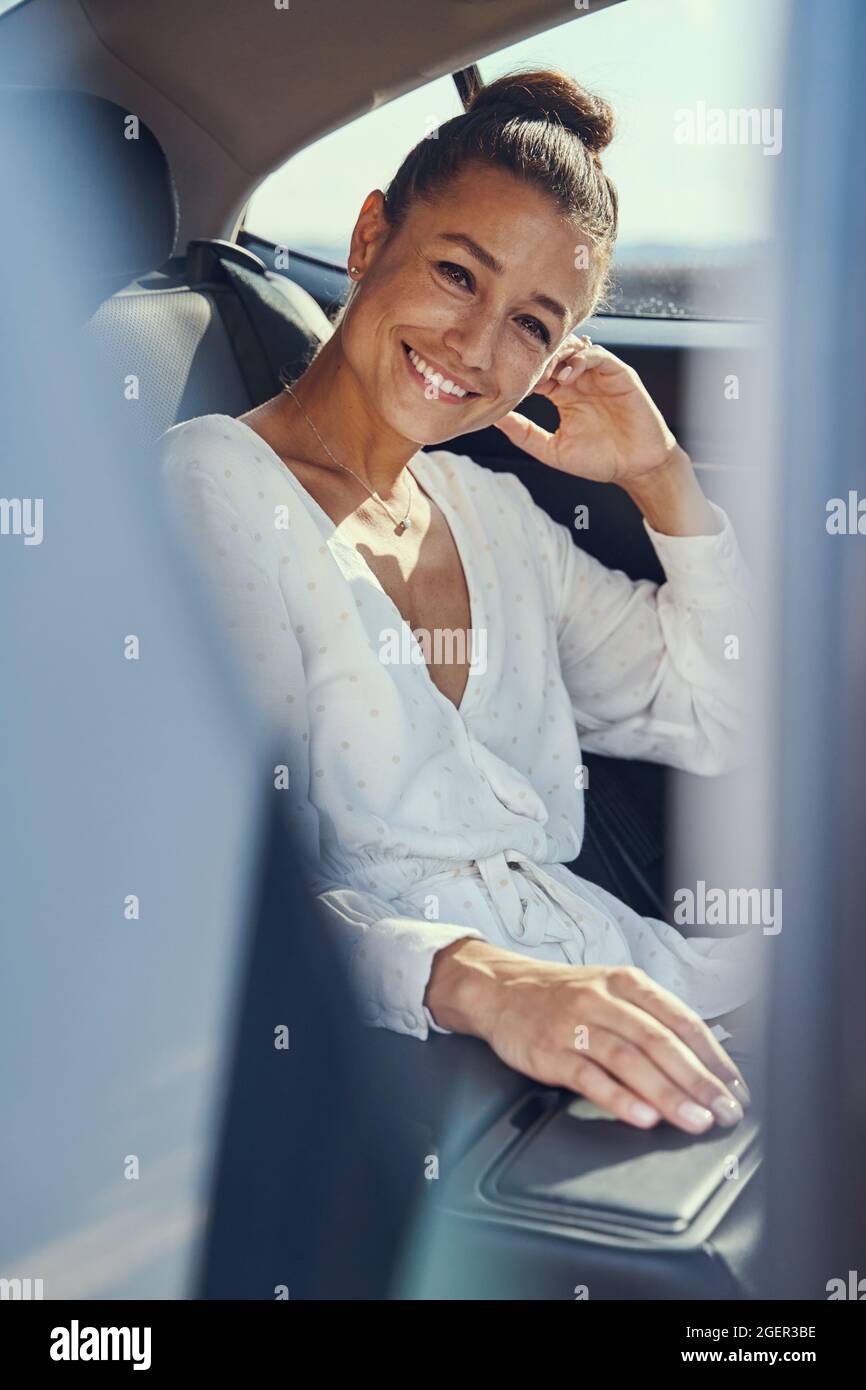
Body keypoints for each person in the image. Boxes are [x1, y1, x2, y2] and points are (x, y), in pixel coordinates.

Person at [161, 69, 758, 1137]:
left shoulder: (491, 514)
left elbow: (725, 713)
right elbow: (225, 895)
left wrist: (659, 476)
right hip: (444, 1080)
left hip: (644, 1004)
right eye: (455, 274)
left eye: (531, 325)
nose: (475, 348)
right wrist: (480, 982)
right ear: (368, 238)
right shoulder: (214, 489)